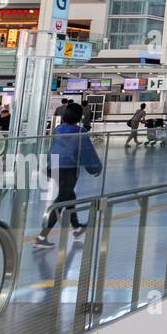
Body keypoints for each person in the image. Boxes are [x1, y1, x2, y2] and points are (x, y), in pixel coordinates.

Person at [34, 103, 103, 248]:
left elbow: (52, 148)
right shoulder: (80, 131)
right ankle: (42, 237)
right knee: (61, 200)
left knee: (69, 196)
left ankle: (77, 227)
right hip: (69, 169)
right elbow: (87, 151)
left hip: (55, 166)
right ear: (79, 116)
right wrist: (95, 167)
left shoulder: (58, 129)